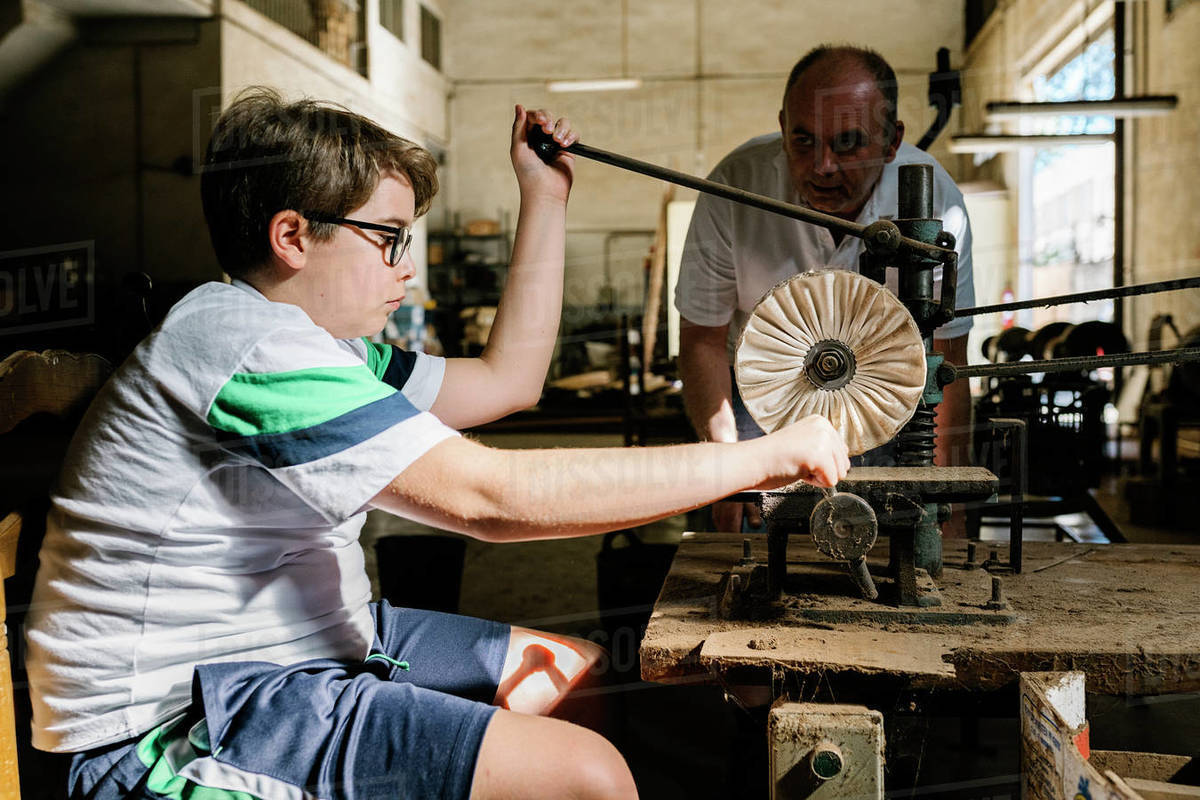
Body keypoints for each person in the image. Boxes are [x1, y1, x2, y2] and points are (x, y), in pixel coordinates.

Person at [25, 89, 850, 800]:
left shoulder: (327, 345)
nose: (405, 266)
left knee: (571, 679)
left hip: (299, 653)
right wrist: (763, 453)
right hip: (168, 728)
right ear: (291, 236)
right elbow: (492, 502)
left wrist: (547, 199)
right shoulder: (245, 346)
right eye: (386, 237)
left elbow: (509, 380)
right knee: (588, 776)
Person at [675, 44, 976, 534]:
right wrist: (724, 467)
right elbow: (702, 339)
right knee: (756, 559)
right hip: (760, 410)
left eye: (848, 143)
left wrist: (950, 503)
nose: (822, 166)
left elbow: (947, 357)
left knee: (898, 549)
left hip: (896, 411)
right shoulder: (734, 187)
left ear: (892, 140)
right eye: (803, 141)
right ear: (782, 124)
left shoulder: (938, 198)